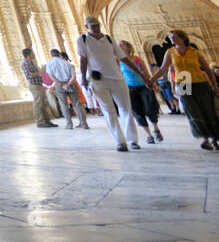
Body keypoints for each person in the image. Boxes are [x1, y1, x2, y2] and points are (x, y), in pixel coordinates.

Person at [151, 29, 219, 151]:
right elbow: (163, 69)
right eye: (170, 38)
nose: (171, 39)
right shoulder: (170, 52)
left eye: (173, 37)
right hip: (183, 83)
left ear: (182, 37)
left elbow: (207, 69)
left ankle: (214, 139)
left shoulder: (195, 52)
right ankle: (205, 139)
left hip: (200, 83)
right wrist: (152, 79)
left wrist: (215, 87)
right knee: (192, 111)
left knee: (207, 111)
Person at [76, 16, 140, 152]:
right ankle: (120, 141)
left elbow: (123, 58)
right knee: (108, 110)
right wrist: (83, 78)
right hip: (98, 80)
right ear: (87, 27)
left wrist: (141, 74)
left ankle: (132, 140)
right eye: (93, 26)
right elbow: (83, 59)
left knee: (126, 109)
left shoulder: (108, 39)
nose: (96, 28)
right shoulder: (82, 39)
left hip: (117, 78)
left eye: (97, 25)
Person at [118, 41, 164, 144]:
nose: (119, 46)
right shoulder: (119, 62)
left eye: (121, 44)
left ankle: (156, 129)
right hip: (130, 89)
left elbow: (147, 74)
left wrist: (154, 84)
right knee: (137, 112)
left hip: (144, 86)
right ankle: (149, 135)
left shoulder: (137, 60)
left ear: (127, 47)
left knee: (150, 108)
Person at [45, 48, 88, 129]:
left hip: (60, 85)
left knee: (64, 105)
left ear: (51, 55)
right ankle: (84, 123)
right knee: (77, 104)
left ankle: (69, 124)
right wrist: (68, 84)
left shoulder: (50, 64)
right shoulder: (66, 63)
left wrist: (60, 84)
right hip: (70, 84)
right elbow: (73, 76)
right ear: (59, 54)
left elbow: (51, 76)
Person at [20, 48, 57, 128]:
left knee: (44, 104)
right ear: (28, 55)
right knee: (38, 104)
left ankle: (47, 121)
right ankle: (40, 122)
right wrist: (40, 71)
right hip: (34, 85)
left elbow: (37, 74)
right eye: (32, 53)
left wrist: (41, 72)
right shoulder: (25, 63)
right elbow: (29, 75)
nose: (34, 54)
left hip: (39, 84)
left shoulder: (32, 62)